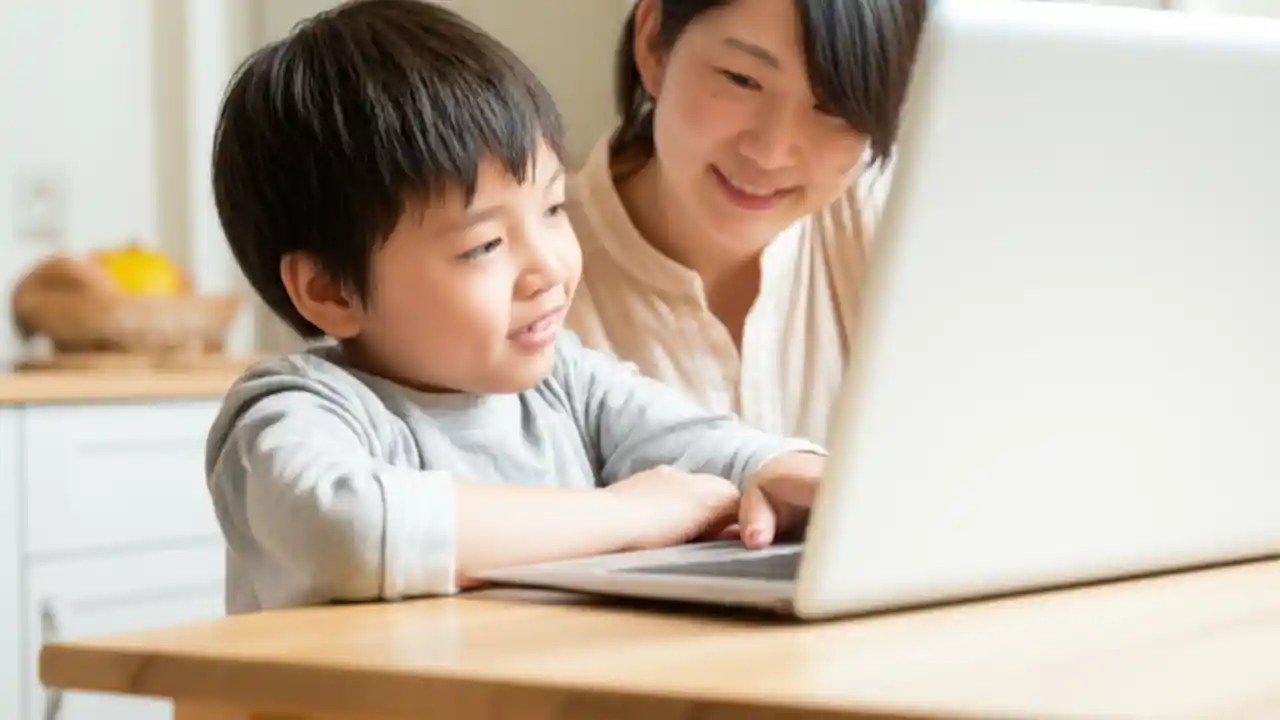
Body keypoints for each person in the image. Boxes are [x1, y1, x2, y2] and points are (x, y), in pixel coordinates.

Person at [204, 0, 824, 614]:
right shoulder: (292, 412)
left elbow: (709, 447)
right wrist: (625, 515)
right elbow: (348, 529)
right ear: (330, 291)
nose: (550, 268)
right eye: (485, 245)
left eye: (554, 210)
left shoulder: (567, 385)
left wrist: (783, 471)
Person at [566, 0, 927, 443]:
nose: (771, 151)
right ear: (654, 43)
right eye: (742, 80)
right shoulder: (520, 276)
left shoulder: (906, 223)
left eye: (833, 106)